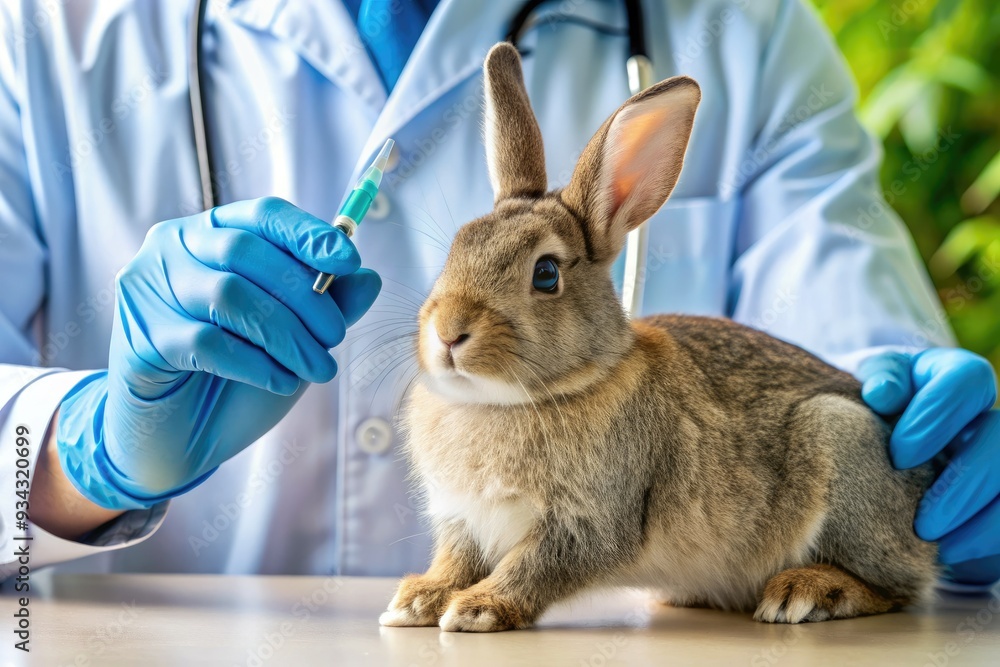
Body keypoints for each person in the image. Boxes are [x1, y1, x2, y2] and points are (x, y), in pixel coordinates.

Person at [0, 0, 996, 587]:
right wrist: (80, 451)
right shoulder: (42, 32)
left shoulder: (741, 28)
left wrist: (924, 457)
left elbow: (856, 369)